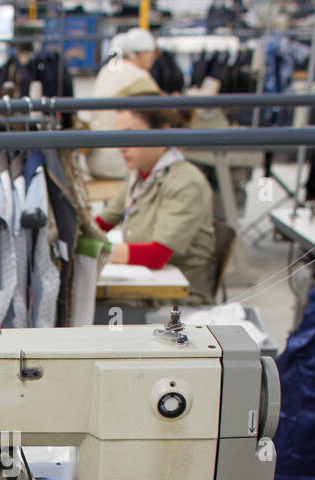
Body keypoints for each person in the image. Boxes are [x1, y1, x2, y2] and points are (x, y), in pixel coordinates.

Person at [95, 105, 218, 304]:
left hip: (175, 300)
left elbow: (156, 255)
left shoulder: (186, 182)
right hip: (145, 286)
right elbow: (102, 222)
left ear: (163, 133)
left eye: (131, 135)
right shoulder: (140, 174)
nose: (122, 146)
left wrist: (90, 249)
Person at [81, 29, 158, 179]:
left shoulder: (108, 69)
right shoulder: (139, 77)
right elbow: (163, 113)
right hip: (118, 163)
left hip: (93, 160)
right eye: (152, 53)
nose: (153, 59)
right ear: (141, 53)